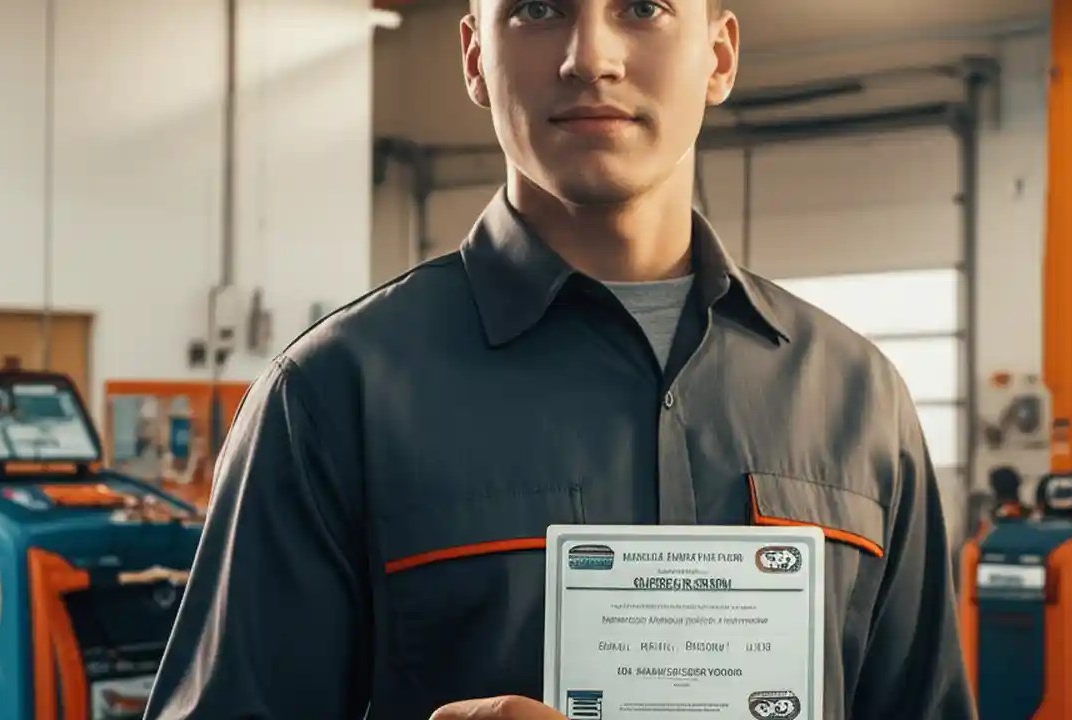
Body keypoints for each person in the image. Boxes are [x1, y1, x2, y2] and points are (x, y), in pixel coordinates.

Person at [142, 1, 976, 719]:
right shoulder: (329, 398)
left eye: (643, 7)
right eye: (538, 9)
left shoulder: (860, 398)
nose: (591, 58)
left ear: (718, 56)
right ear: (475, 55)